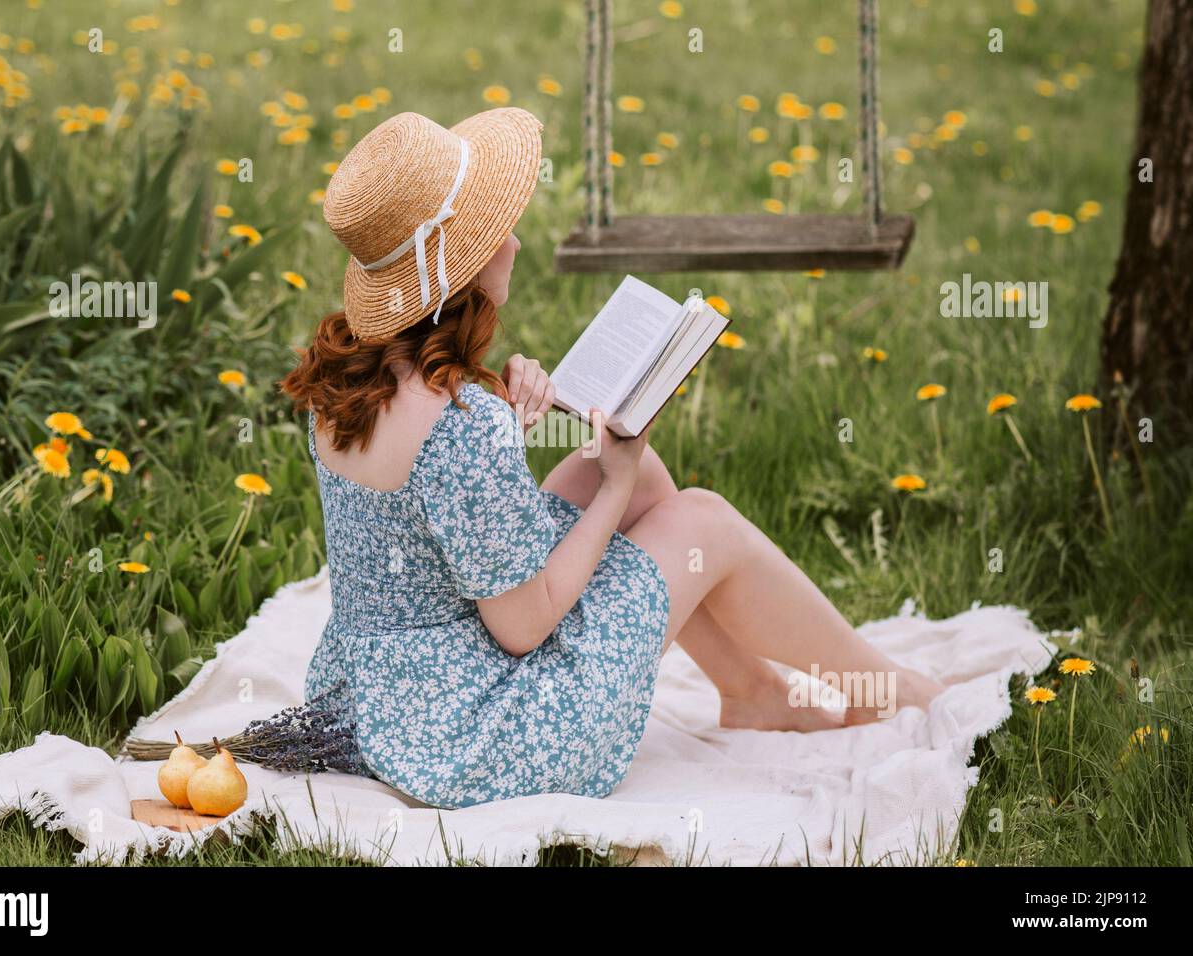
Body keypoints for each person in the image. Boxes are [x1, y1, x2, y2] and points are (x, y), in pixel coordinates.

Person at [272, 108, 944, 810]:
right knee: (700, 519)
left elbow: (435, 510)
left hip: (370, 701)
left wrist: (512, 420)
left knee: (643, 475)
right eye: (495, 230)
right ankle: (893, 692)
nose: (517, 241)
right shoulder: (463, 427)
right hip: (484, 738)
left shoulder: (344, 385)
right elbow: (522, 628)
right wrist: (612, 490)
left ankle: (753, 691)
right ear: (463, 266)